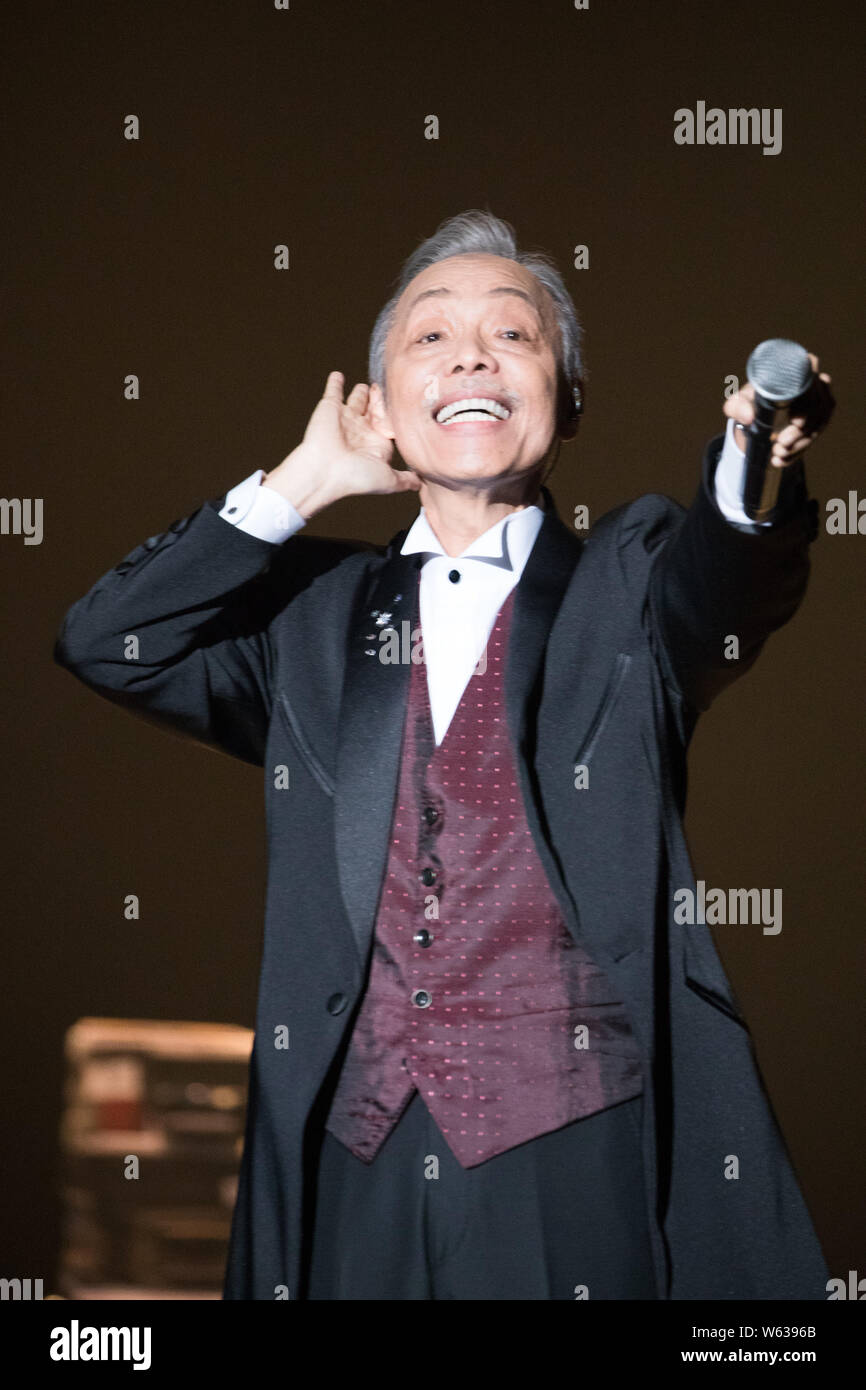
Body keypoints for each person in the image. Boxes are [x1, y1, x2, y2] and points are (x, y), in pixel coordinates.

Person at [54, 210, 834, 1300]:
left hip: (569, 1153)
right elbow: (107, 644)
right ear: (378, 406)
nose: (469, 352)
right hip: (346, 1157)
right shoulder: (310, 618)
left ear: (565, 401)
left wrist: (754, 456)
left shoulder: (633, 579)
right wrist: (303, 481)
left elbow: (733, 572)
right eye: (429, 336)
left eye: (512, 335)